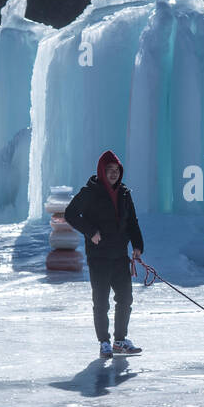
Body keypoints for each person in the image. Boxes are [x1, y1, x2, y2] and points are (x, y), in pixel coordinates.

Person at [64, 150, 145, 358]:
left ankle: (120, 340)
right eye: (109, 170)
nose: (113, 174)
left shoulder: (125, 193)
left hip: (120, 255)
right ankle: (104, 342)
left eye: (116, 170)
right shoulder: (90, 192)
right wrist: (91, 231)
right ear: (101, 170)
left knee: (125, 299)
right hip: (99, 256)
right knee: (101, 302)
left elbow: (132, 222)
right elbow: (70, 214)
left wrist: (137, 245)